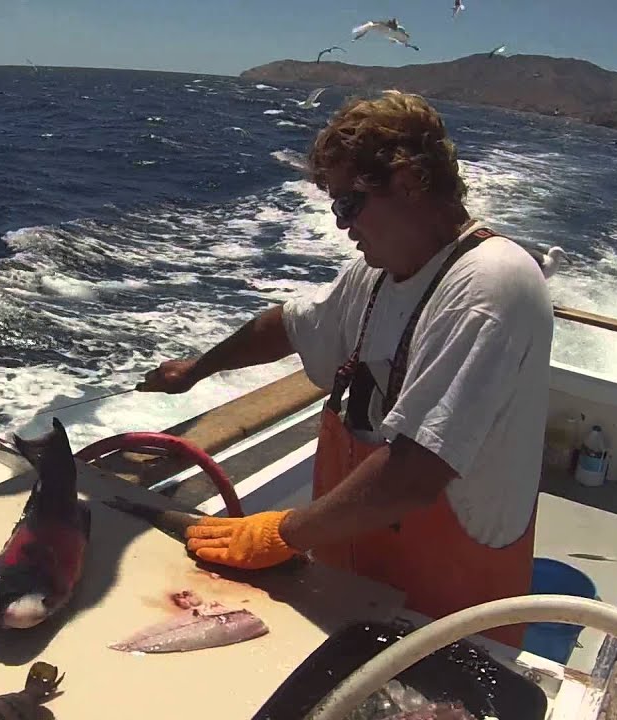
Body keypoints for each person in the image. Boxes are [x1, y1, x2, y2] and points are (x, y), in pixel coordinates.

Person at [136, 90, 553, 648]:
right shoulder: (378, 275)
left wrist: (279, 532)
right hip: (350, 594)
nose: (340, 225)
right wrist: (198, 369)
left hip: (448, 621)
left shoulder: (490, 284)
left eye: (349, 206)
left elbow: (414, 473)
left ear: (407, 181)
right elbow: (285, 325)